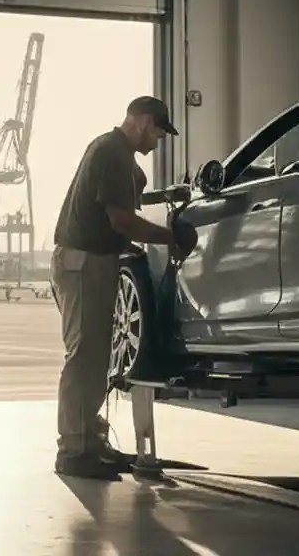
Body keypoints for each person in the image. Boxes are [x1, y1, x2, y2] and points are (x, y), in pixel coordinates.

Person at [51, 95, 194, 480]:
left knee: (96, 356)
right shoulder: (112, 153)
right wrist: (170, 238)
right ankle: (74, 450)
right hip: (83, 263)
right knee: (84, 356)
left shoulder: (118, 156)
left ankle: (89, 441)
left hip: (94, 261)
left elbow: (113, 221)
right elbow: (121, 221)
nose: (159, 141)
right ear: (146, 122)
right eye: (160, 133)